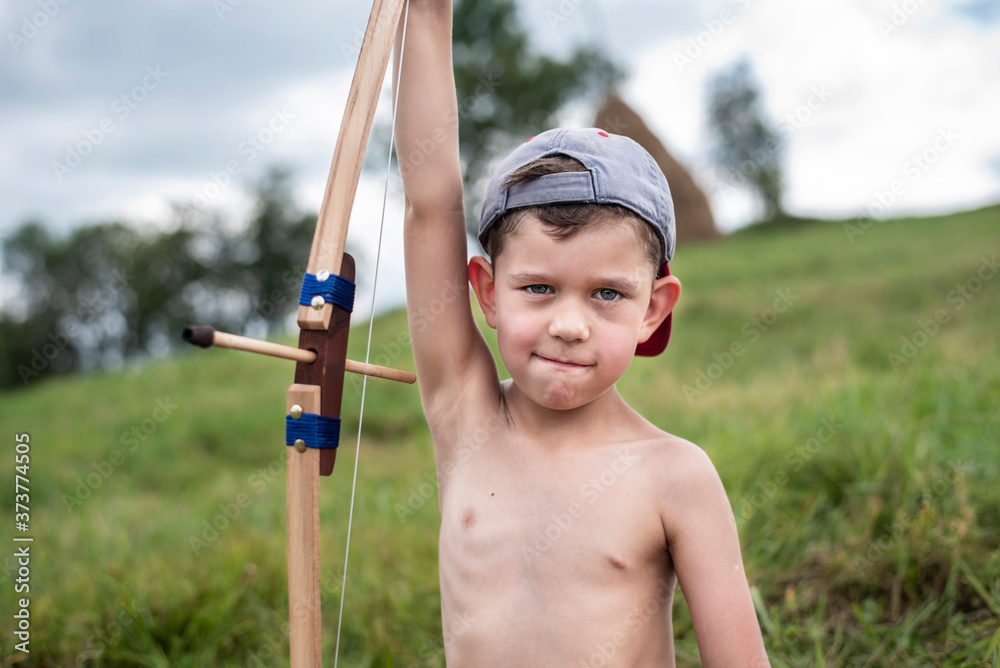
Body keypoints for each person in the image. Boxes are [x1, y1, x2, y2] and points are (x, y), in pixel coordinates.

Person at [392, 1, 769, 665]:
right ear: (485, 291)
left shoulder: (676, 476)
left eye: (607, 294)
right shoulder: (465, 413)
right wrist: (425, 14)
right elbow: (432, 206)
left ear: (653, 309)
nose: (568, 326)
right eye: (538, 288)